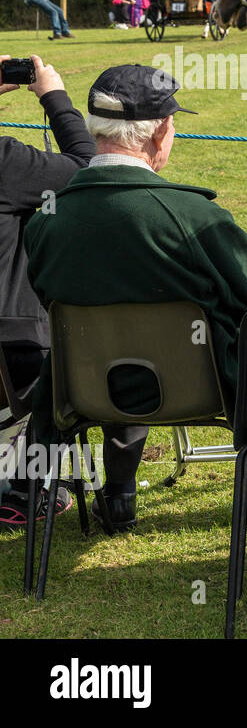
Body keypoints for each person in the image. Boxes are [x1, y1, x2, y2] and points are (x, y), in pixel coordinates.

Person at [23, 65, 247, 531]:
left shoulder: (45, 220)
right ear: (160, 133)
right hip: (203, 390)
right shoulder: (197, 217)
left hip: (85, 391)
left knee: (114, 331)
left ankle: (118, 492)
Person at [0, 54, 95, 529]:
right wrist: (54, 97)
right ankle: (26, 483)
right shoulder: (4, 162)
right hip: (15, 360)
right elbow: (87, 168)